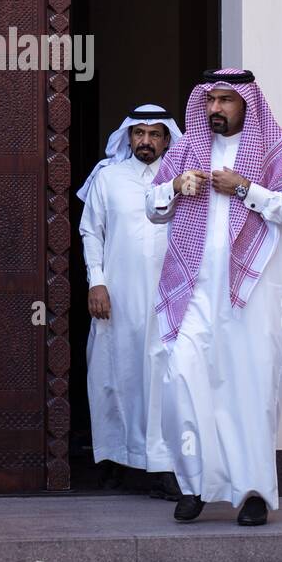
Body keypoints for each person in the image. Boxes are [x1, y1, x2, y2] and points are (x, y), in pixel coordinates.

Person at [147, 69, 282, 527]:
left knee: (249, 390)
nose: (215, 109)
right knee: (182, 382)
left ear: (247, 104)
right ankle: (194, 486)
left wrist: (245, 189)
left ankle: (254, 493)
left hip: (251, 295)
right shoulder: (186, 149)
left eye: (225, 100)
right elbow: (153, 207)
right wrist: (173, 187)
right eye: (210, 100)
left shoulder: (271, 150)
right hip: (194, 294)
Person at [78, 104, 182, 494]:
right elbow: (92, 232)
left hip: (167, 296)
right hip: (117, 295)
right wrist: (97, 282)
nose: (146, 141)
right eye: (139, 133)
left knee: (161, 376)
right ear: (127, 137)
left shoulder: (182, 179)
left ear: (167, 140)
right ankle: (113, 458)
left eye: (156, 134)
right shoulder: (108, 177)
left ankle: (160, 464)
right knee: (112, 374)